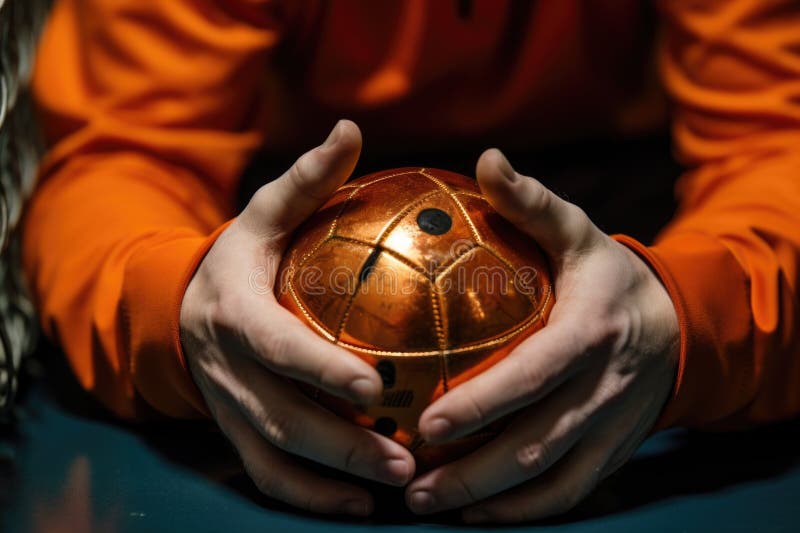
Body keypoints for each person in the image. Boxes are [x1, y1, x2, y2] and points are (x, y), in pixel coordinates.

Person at [23, 0, 800, 523]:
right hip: (282, 220)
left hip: (635, 218)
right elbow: (121, 154)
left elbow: (779, 138)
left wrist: (691, 316)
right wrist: (181, 303)